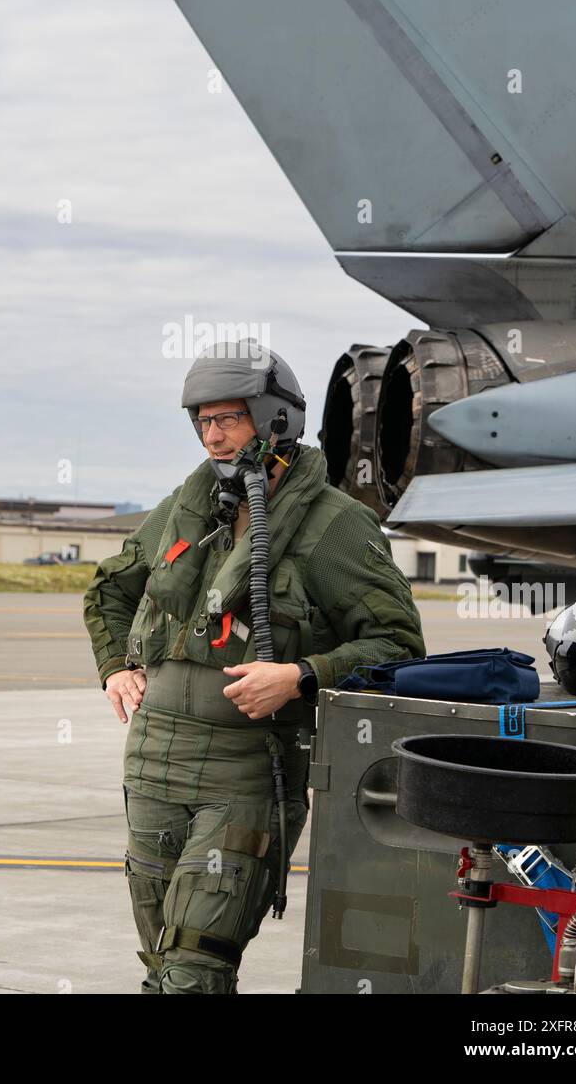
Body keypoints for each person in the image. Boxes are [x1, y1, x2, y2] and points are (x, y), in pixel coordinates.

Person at [83, 340, 425, 993]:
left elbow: (397, 644)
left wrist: (301, 675)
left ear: (274, 420)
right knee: (160, 969)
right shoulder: (185, 507)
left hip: (245, 779)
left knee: (193, 970)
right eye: (202, 421)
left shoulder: (335, 525)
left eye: (228, 420)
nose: (212, 436)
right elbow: (110, 588)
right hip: (153, 768)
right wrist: (114, 666)